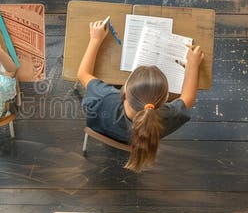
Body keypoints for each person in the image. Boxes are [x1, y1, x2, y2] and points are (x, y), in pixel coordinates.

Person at [78, 20, 204, 173]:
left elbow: (83, 74)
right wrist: (193, 64)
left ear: (123, 93)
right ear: (165, 100)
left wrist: (95, 39)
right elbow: (188, 99)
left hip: (101, 129)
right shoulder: (165, 117)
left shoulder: (105, 98)